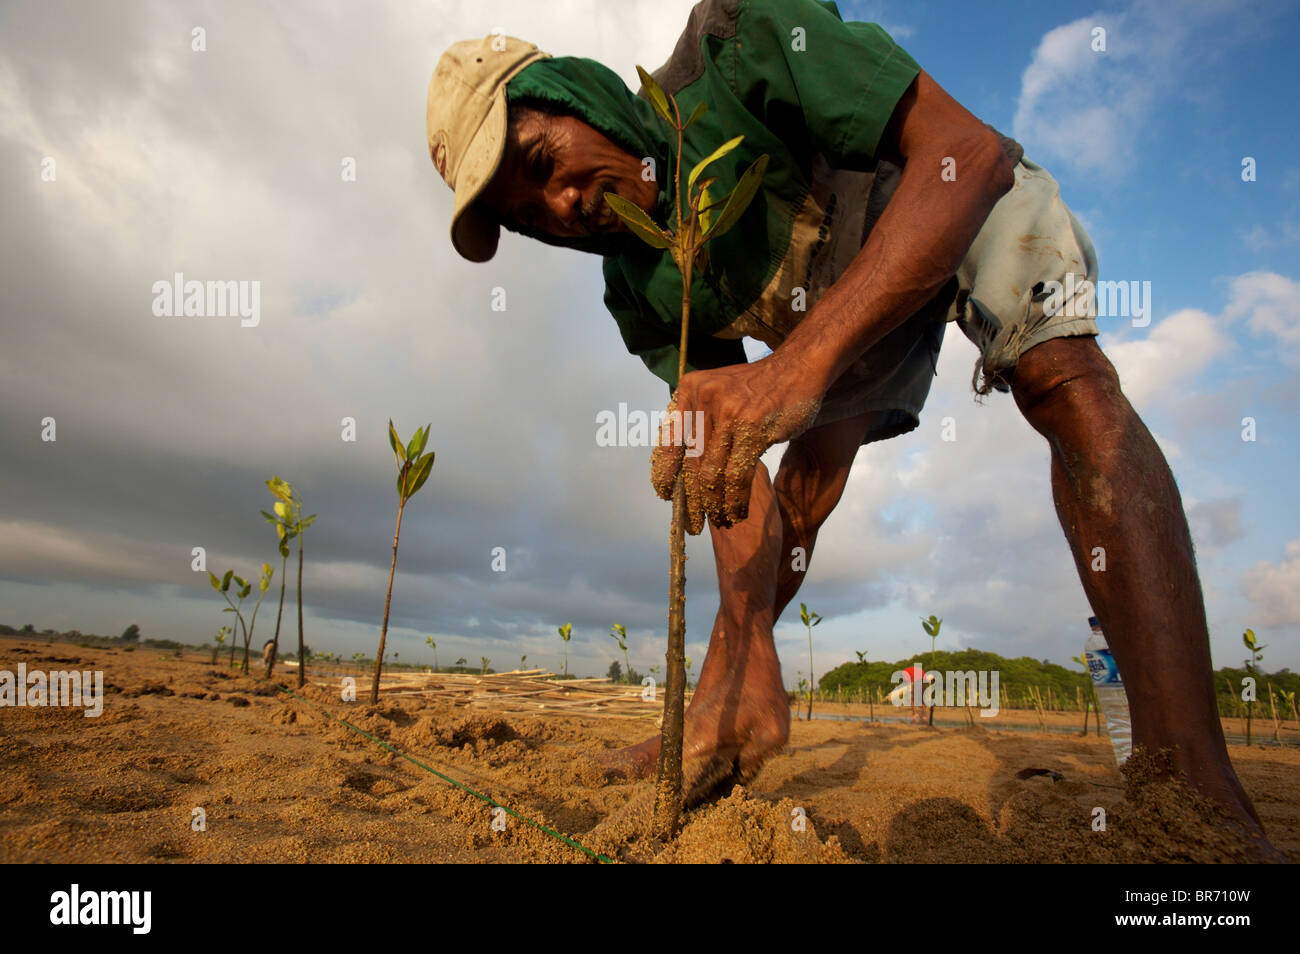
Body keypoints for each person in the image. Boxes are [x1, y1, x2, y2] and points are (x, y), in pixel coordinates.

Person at [425, 0, 1275, 852]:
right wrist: (749, 629)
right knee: (798, 491)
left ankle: (1192, 782)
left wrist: (792, 372)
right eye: (524, 212)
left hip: (947, 202)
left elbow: (964, 152)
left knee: (1064, 379)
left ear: (580, 95)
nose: (560, 204)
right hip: (844, 325)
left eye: (542, 159)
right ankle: (727, 703)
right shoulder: (638, 286)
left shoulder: (739, 36)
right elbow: (729, 456)